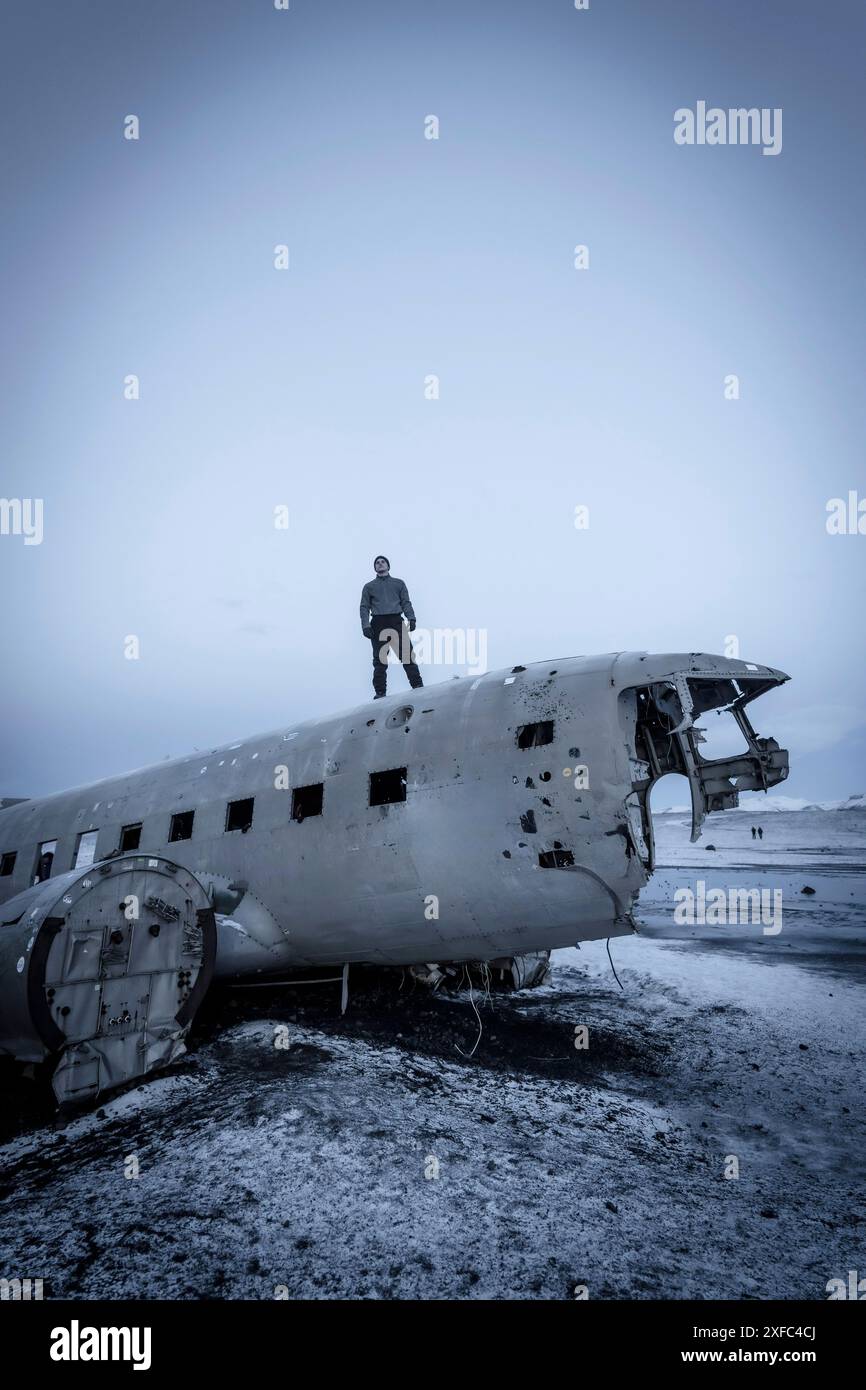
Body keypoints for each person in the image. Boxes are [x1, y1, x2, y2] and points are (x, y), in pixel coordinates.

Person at [360, 555, 424, 698]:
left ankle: (418, 685)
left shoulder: (399, 583)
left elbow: (405, 602)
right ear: (375, 568)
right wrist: (365, 625)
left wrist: (411, 618)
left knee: (407, 655)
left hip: (396, 621)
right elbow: (364, 607)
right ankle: (380, 693)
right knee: (380, 660)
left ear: (388, 566)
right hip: (378, 623)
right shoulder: (369, 587)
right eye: (377, 563)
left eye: (383, 562)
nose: (380, 564)